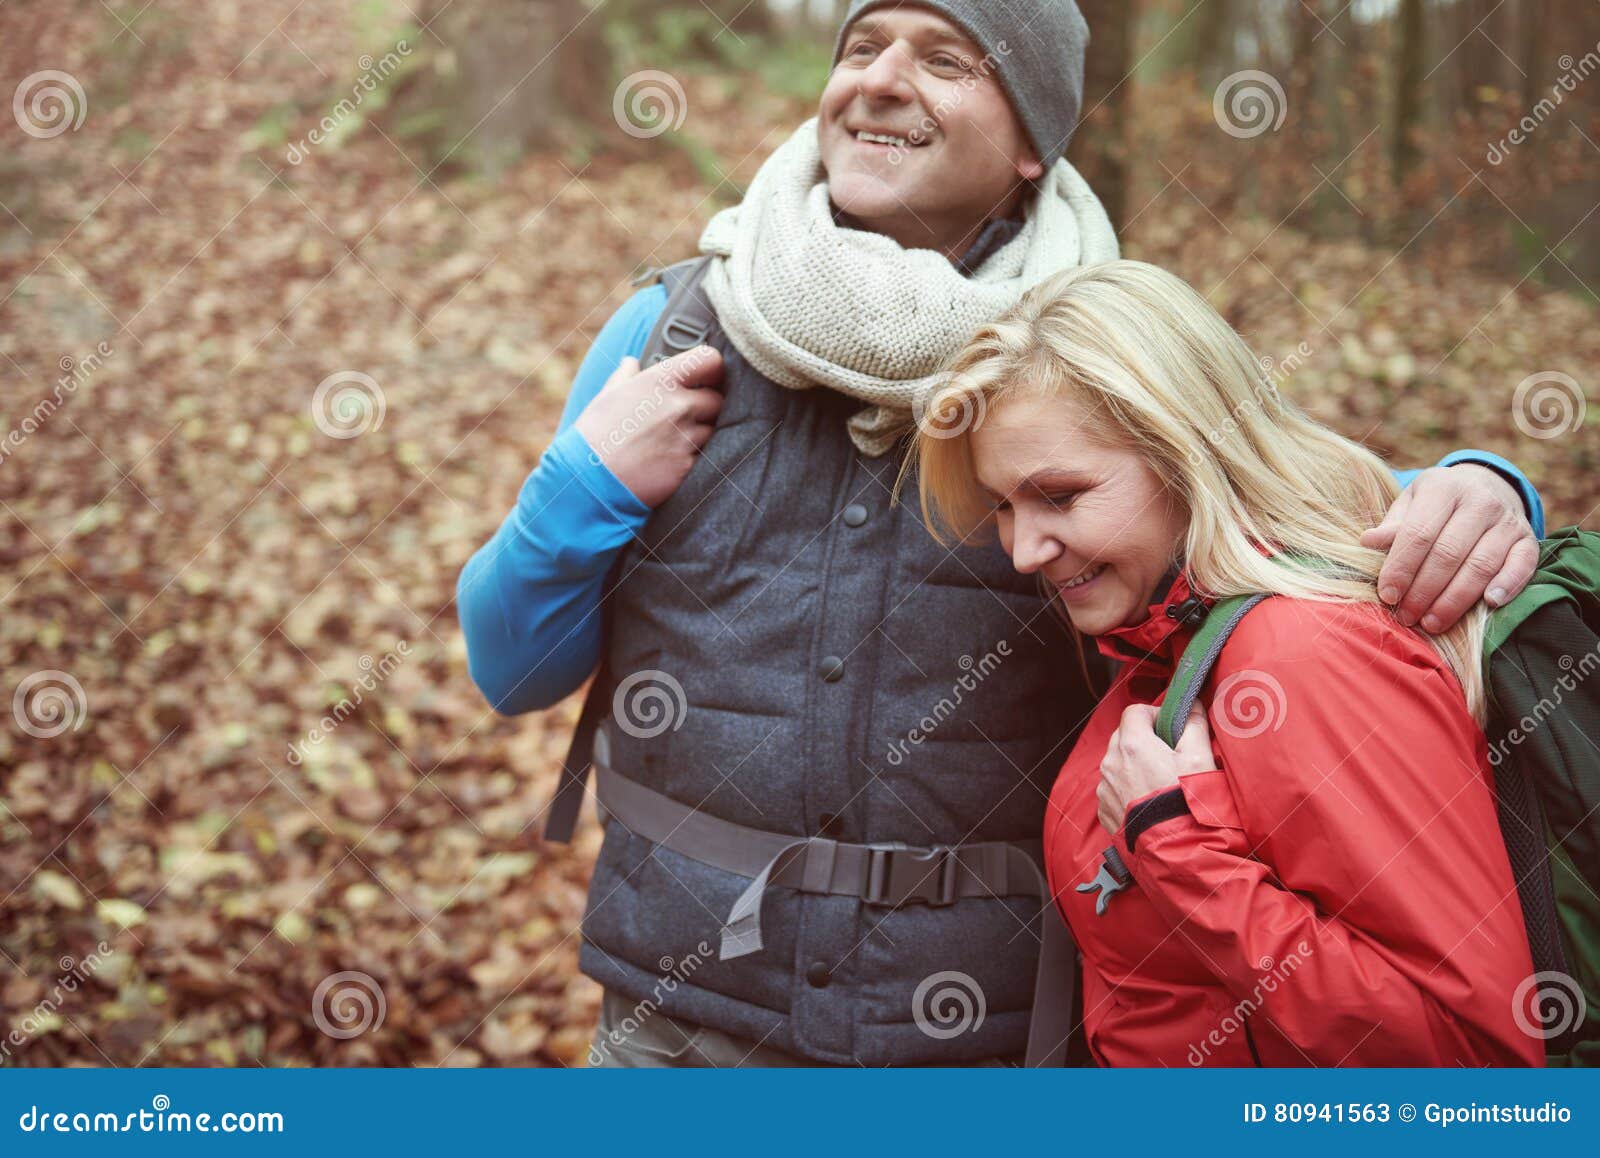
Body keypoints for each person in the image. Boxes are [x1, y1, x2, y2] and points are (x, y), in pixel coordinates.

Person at [458, 1, 1546, 1067]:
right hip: (676, 1028)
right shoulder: (671, 333)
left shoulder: (1104, 351)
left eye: (946, 59)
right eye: (862, 45)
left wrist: (1480, 490)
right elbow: (513, 671)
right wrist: (582, 483)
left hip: (987, 1037)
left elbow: (1272, 491)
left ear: (1034, 140)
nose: (882, 79)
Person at [914, 259, 1546, 1067]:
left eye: (1061, 496)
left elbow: (1474, 1059)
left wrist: (1174, 847)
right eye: (1003, 505)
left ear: (1184, 453)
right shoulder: (1171, 629)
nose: (1024, 551)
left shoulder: (1302, 653)